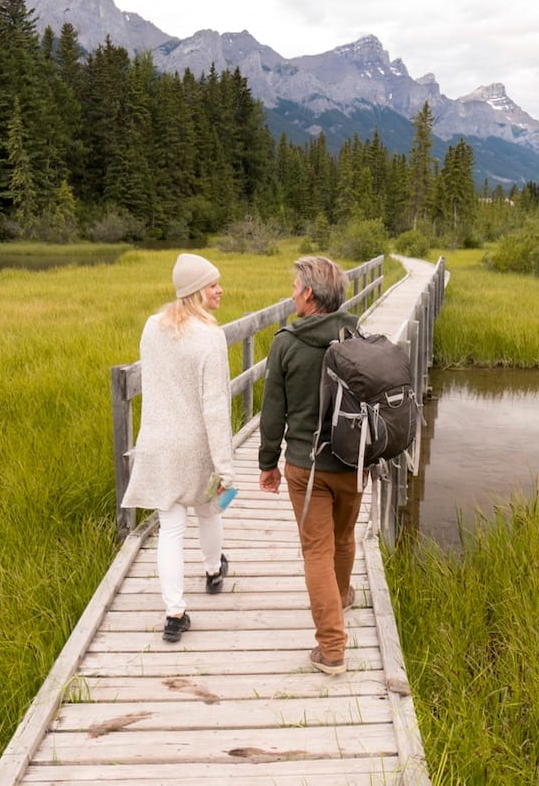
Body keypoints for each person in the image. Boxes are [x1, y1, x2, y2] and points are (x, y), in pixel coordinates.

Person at [120, 252, 236, 643]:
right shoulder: (210, 337)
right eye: (213, 284)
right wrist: (226, 466)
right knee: (208, 510)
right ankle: (212, 571)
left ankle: (174, 613)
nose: (220, 290)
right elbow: (216, 407)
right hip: (195, 445)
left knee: (169, 528)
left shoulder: (152, 327)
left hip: (157, 443)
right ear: (196, 292)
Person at [258, 255, 362, 675]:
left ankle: (332, 649)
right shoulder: (356, 334)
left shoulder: (286, 342)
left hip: (307, 464)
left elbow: (272, 413)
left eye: (294, 288)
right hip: (354, 463)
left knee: (316, 550)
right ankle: (340, 595)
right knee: (344, 536)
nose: (291, 294)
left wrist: (269, 463)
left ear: (308, 295)